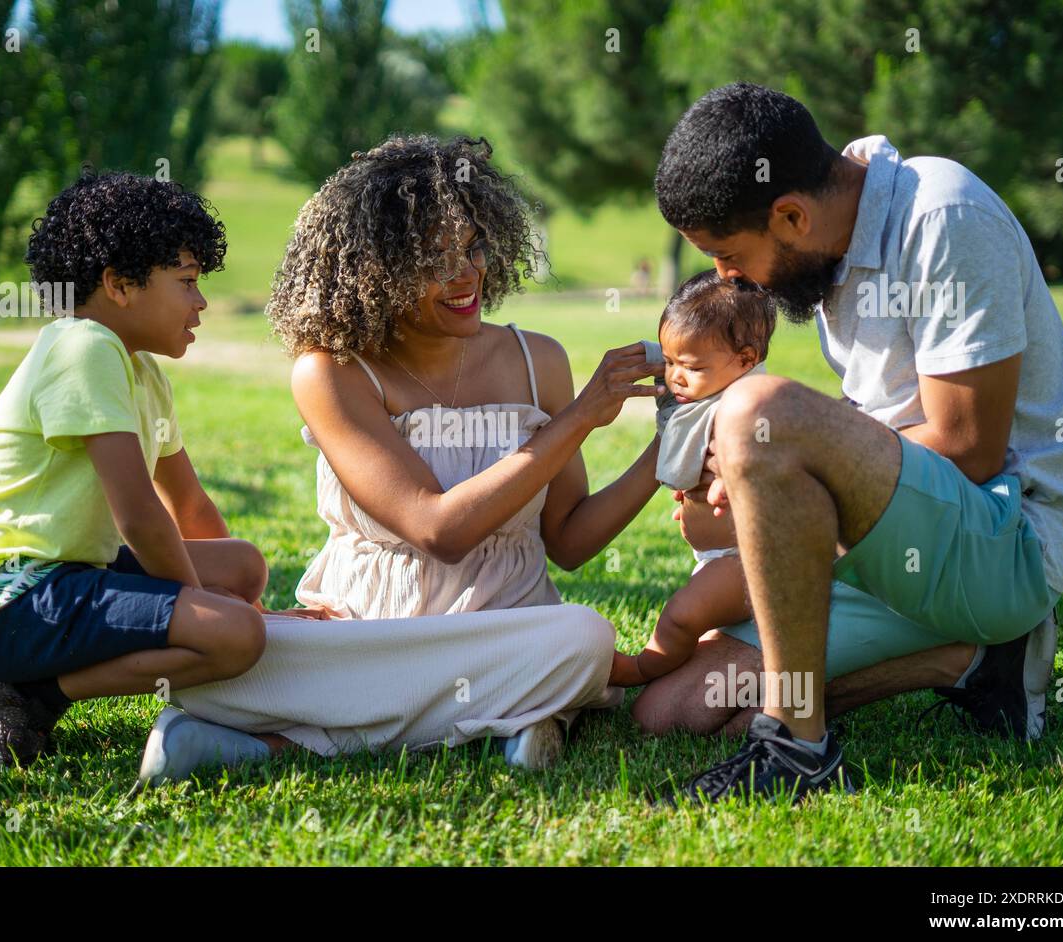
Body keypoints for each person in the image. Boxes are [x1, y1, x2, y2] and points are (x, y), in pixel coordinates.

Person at [137, 134, 666, 784]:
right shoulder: (330, 372)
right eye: (435, 260)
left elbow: (571, 540)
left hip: (504, 625)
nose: (466, 274)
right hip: (366, 632)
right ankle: (522, 717)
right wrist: (581, 418)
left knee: (582, 637)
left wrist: (666, 447)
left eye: (473, 247)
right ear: (374, 268)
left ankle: (283, 747)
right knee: (207, 666)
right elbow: (438, 529)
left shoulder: (540, 361)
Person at [642, 82, 1063, 803]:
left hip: (1005, 541)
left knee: (757, 407)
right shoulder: (829, 247)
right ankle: (974, 659)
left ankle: (797, 748)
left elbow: (967, 444)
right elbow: (874, 439)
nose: (726, 280)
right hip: (902, 540)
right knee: (679, 709)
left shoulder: (943, 215)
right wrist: (760, 497)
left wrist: (776, 456)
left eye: (728, 256)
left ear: (790, 214)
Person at [0, 171, 270, 769]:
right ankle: (31, 694)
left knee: (242, 566)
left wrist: (243, 601)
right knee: (236, 637)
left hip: (71, 570)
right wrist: (215, 613)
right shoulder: (82, 348)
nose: (202, 302)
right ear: (119, 284)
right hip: (2, 598)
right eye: (187, 282)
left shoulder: (144, 374)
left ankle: (35, 682)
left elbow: (187, 507)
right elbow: (138, 514)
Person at [609, 269, 773, 688]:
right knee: (704, 631)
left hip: (751, 560)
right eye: (669, 362)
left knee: (682, 616)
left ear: (745, 360)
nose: (675, 377)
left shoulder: (748, 407)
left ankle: (643, 667)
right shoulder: (706, 389)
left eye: (691, 367)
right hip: (717, 557)